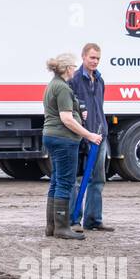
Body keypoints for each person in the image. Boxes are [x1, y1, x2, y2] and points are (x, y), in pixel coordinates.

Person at [42, 52, 103, 240]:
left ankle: (52, 227)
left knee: (56, 181)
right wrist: (89, 135)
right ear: (68, 68)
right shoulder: (63, 88)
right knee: (65, 182)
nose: (75, 69)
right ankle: (62, 227)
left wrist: (78, 113)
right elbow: (66, 119)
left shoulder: (53, 85)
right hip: (64, 139)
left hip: (52, 136)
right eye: (74, 66)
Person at [69, 42, 113, 233]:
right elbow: (70, 107)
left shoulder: (100, 80)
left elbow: (99, 107)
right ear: (83, 57)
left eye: (97, 58)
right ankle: (74, 220)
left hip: (99, 134)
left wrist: (101, 129)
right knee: (77, 179)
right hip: (81, 135)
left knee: (98, 178)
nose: (95, 61)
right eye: (92, 57)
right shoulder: (75, 80)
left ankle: (94, 219)